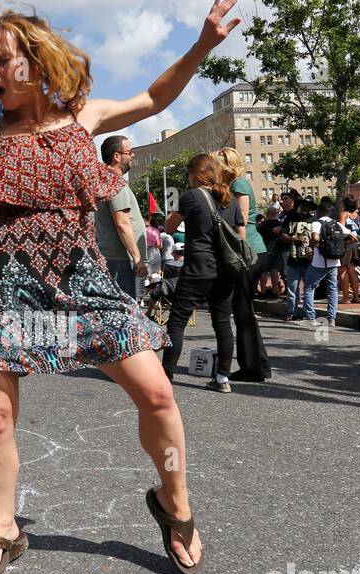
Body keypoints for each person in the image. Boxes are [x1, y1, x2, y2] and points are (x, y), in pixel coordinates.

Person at [0, 0, 240, 574]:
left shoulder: (82, 119)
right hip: (2, 284)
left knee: (159, 395)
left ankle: (175, 505)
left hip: (81, 276)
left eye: (2, 62)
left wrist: (201, 46)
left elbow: (154, 99)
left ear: (36, 64)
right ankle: (3, 530)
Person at [160, 154, 236, 391]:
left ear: (195, 174)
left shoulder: (192, 196)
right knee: (222, 323)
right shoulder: (229, 199)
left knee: (177, 322)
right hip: (224, 269)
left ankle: (166, 376)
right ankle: (223, 378)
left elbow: (169, 226)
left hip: (197, 269)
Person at [215, 150, 271, 382]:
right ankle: (259, 364)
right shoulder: (235, 185)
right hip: (251, 253)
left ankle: (252, 368)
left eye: (216, 164)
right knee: (243, 310)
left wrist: (237, 255)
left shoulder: (238, 184)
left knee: (243, 312)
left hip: (248, 253)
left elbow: (241, 221)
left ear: (226, 165)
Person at [94, 135, 149, 298]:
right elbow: (122, 223)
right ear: (117, 156)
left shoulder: (106, 181)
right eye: (129, 152)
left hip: (116, 258)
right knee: (125, 312)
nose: (133, 155)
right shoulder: (115, 182)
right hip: (121, 261)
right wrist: (137, 258)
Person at [304, 201, 353, 326]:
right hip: (334, 261)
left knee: (309, 287)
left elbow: (315, 238)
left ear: (319, 211)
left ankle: (310, 317)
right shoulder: (336, 224)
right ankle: (331, 318)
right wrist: (343, 245)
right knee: (333, 290)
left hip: (319, 262)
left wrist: (312, 245)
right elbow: (354, 237)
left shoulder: (316, 223)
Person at [281, 199, 315, 321]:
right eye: (303, 207)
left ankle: (308, 313)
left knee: (308, 289)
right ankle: (292, 312)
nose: (305, 210)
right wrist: (294, 240)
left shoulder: (314, 220)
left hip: (309, 260)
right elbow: (282, 234)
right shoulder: (290, 218)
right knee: (292, 288)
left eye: (307, 208)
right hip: (293, 260)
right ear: (298, 207)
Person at [338, 197, 360, 303]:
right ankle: (356, 297)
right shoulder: (356, 215)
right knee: (352, 270)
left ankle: (345, 297)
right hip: (355, 245)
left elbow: (340, 230)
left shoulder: (344, 214)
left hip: (346, 245)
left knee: (342, 271)